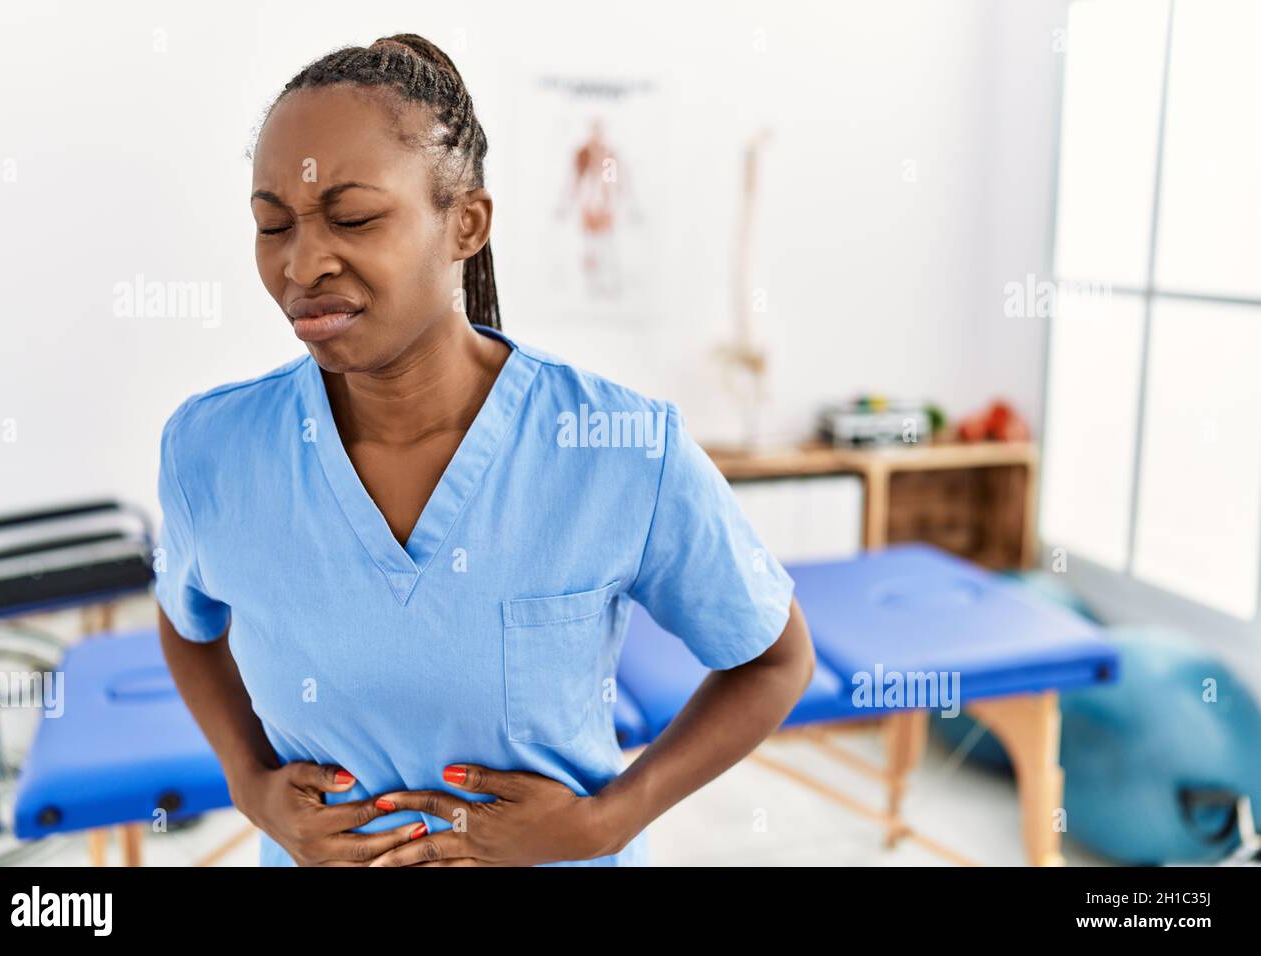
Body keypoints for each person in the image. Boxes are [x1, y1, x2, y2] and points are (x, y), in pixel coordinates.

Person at [156, 33, 814, 867]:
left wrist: (607, 820)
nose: (302, 262)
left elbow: (775, 660)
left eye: (353, 218)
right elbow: (185, 621)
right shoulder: (212, 452)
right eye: (271, 224)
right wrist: (250, 784)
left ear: (465, 222)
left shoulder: (618, 450)